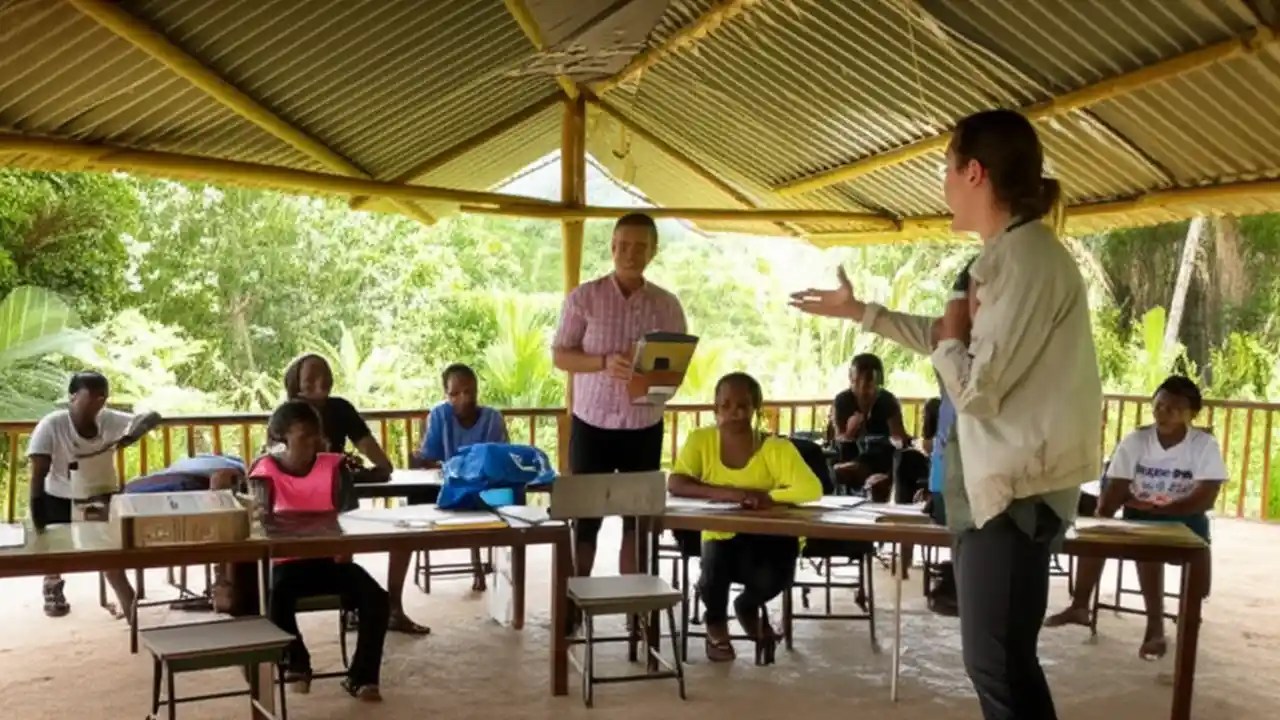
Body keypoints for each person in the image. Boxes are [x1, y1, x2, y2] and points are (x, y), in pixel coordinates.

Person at [792, 109, 1102, 720]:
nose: (945, 183)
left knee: (997, 663)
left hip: (1014, 495)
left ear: (975, 172)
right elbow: (952, 337)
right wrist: (865, 313)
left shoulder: (1028, 262)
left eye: (947, 169)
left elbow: (977, 388)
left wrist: (948, 339)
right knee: (1002, 660)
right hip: (995, 489)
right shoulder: (1008, 257)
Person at [1044, 376, 1225, 659]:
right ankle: (1141, 624)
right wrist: (1104, 518)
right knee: (1108, 534)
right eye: (1159, 406)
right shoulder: (1137, 440)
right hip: (1142, 516)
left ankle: (1185, 619)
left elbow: (1207, 496)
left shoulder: (1203, 445)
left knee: (1200, 588)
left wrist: (1164, 509)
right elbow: (1116, 487)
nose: (1164, 414)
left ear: (1192, 414)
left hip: (1186, 518)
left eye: (1174, 409)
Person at [551, 212, 687, 580]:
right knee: (585, 519)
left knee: (637, 521)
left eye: (640, 246)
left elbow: (675, 372)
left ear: (653, 251)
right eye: (623, 245)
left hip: (643, 425)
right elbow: (560, 354)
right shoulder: (585, 298)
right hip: (591, 424)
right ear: (611, 247)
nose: (630, 253)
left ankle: (635, 613)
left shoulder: (668, 305)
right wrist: (602, 362)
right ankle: (574, 604)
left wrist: (648, 377)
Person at [667, 372, 822, 661]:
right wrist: (734, 494)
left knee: (779, 571)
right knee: (714, 563)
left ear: (755, 409)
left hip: (767, 540)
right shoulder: (701, 440)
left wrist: (769, 497)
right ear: (715, 408)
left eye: (742, 405)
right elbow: (676, 482)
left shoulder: (777, 448)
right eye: (725, 405)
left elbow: (811, 488)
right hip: (720, 539)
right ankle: (716, 624)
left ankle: (746, 606)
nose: (733, 413)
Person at [251, 400, 389, 702]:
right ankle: (297, 662)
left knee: (377, 599)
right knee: (277, 598)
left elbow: (350, 519)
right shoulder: (264, 471)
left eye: (316, 435)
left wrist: (344, 548)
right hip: (289, 563)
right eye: (303, 437)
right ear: (282, 439)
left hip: (331, 561)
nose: (313, 443)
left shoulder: (334, 468)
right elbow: (258, 522)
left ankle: (361, 676)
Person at [283, 353, 428, 634]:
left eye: (325, 374)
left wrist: (375, 466)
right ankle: (351, 605)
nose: (320, 382)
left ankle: (393, 609)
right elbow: (288, 463)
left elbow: (375, 453)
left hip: (342, 497)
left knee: (402, 534)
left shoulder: (340, 409)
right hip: (305, 509)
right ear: (296, 383)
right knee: (341, 547)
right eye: (311, 377)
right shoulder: (289, 415)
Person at [27, 371, 159, 619]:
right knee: (54, 552)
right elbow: (37, 476)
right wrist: (38, 519)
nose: (99, 402)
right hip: (59, 498)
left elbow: (151, 416)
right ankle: (53, 588)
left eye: (103, 397)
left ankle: (131, 611)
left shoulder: (109, 420)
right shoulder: (52, 425)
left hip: (100, 497)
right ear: (73, 396)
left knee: (109, 557)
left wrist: (134, 433)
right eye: (93, 396)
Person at [410, 363, 509, 589]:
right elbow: (429, 457)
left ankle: (495, 572)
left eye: (468, 391)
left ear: (476, 390)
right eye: (455, 393)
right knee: (419, 502)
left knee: (502, 501)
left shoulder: (492, 418)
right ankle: (477, 565)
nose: (463, 398)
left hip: (483, 488)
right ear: (446, 395)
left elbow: (498, 457)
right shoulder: (440, 415)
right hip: (447, 488)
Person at [829, 353, 908, 501]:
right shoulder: (842, 401)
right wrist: (850, 432)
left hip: (881, 457)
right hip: (850, 456)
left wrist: (896, 440)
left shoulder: (887, 401)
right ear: (852, 379)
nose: (869, 390)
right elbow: (838, 438)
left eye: (872, 384)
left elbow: (899, 436)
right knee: (841, 470)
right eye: (862, 383)